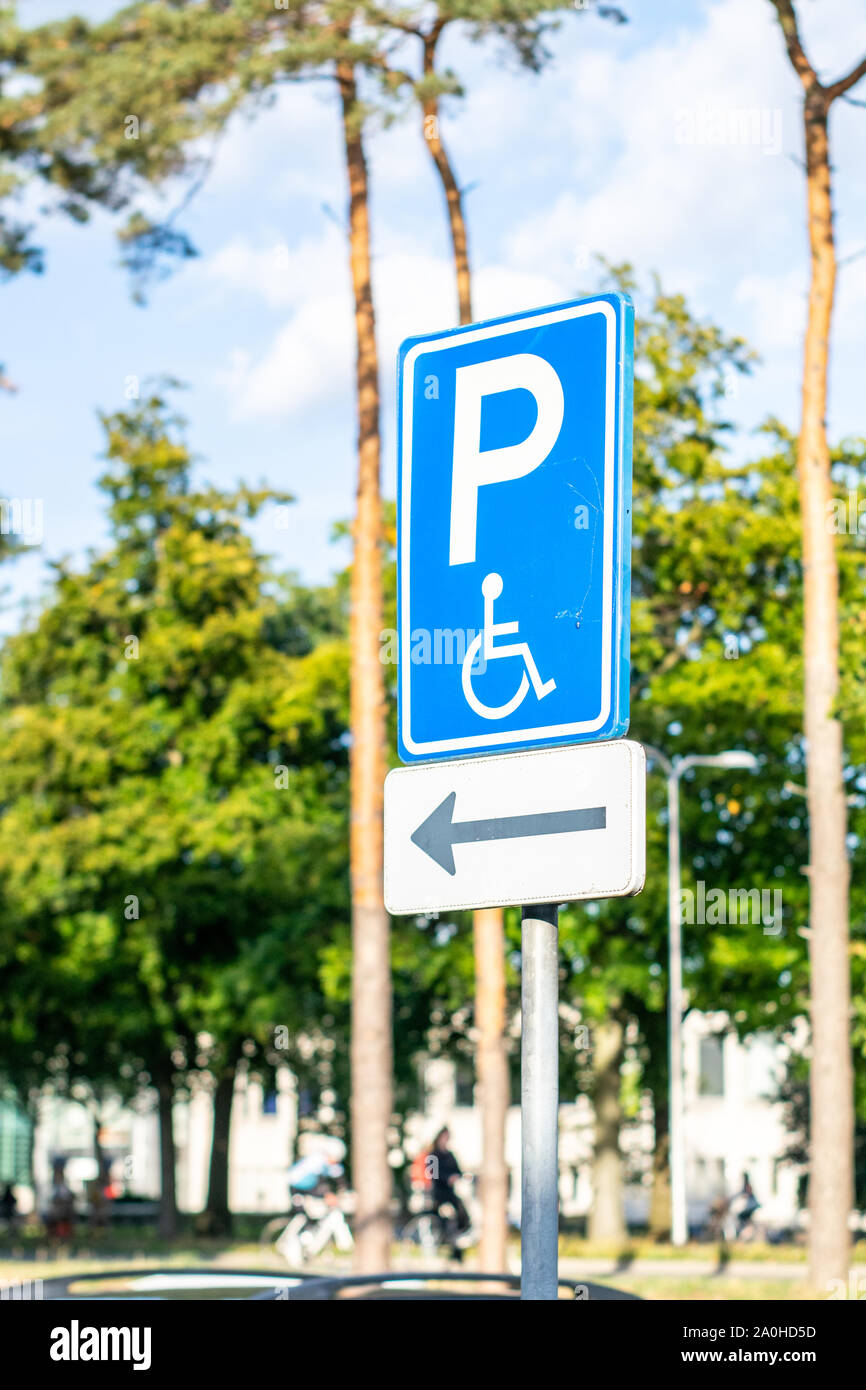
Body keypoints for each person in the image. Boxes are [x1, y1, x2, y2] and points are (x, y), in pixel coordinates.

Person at [428, 1127, 470, 1258]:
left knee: (462, 1214)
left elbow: (458, 1171)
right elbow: (432, 1174)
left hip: (451, 1193)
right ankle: (445, 1239)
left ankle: (458, 1242)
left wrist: (461, 1176)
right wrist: (447, 1178)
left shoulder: (450, 1155)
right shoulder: (433, 1156)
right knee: (448, 1215)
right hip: (439, 1193)